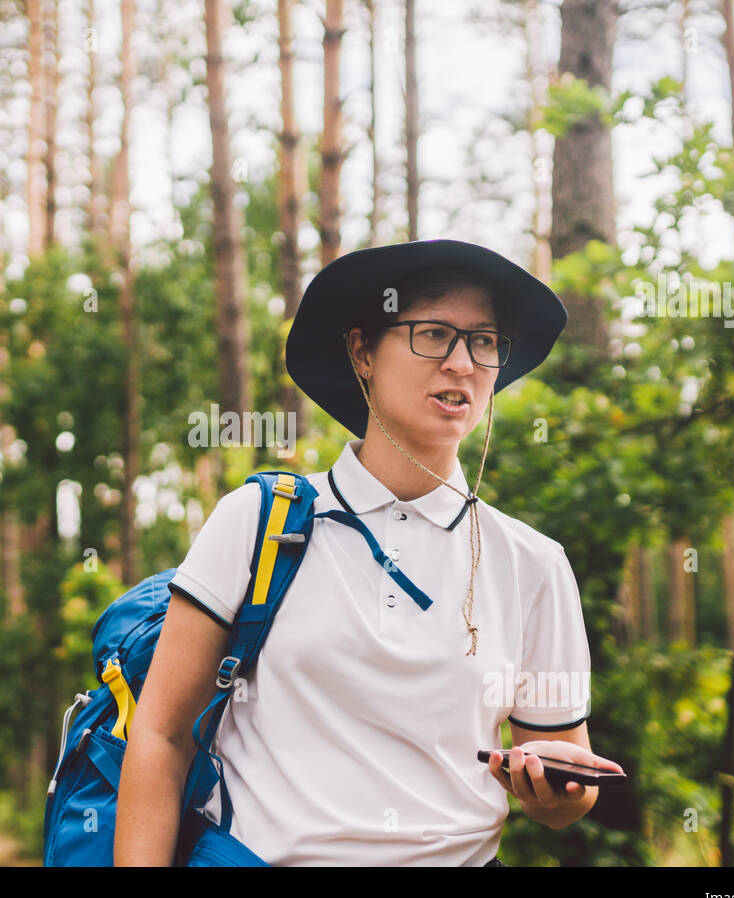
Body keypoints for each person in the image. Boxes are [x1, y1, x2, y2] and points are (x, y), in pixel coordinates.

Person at [114, 239, 623, 866]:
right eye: (434, 333)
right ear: (362, 351)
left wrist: (555, 792)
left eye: (484, 341)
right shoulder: (257, 524)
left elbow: (563, 781)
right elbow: (162, 736)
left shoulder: (534, 564)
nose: (463, 364)